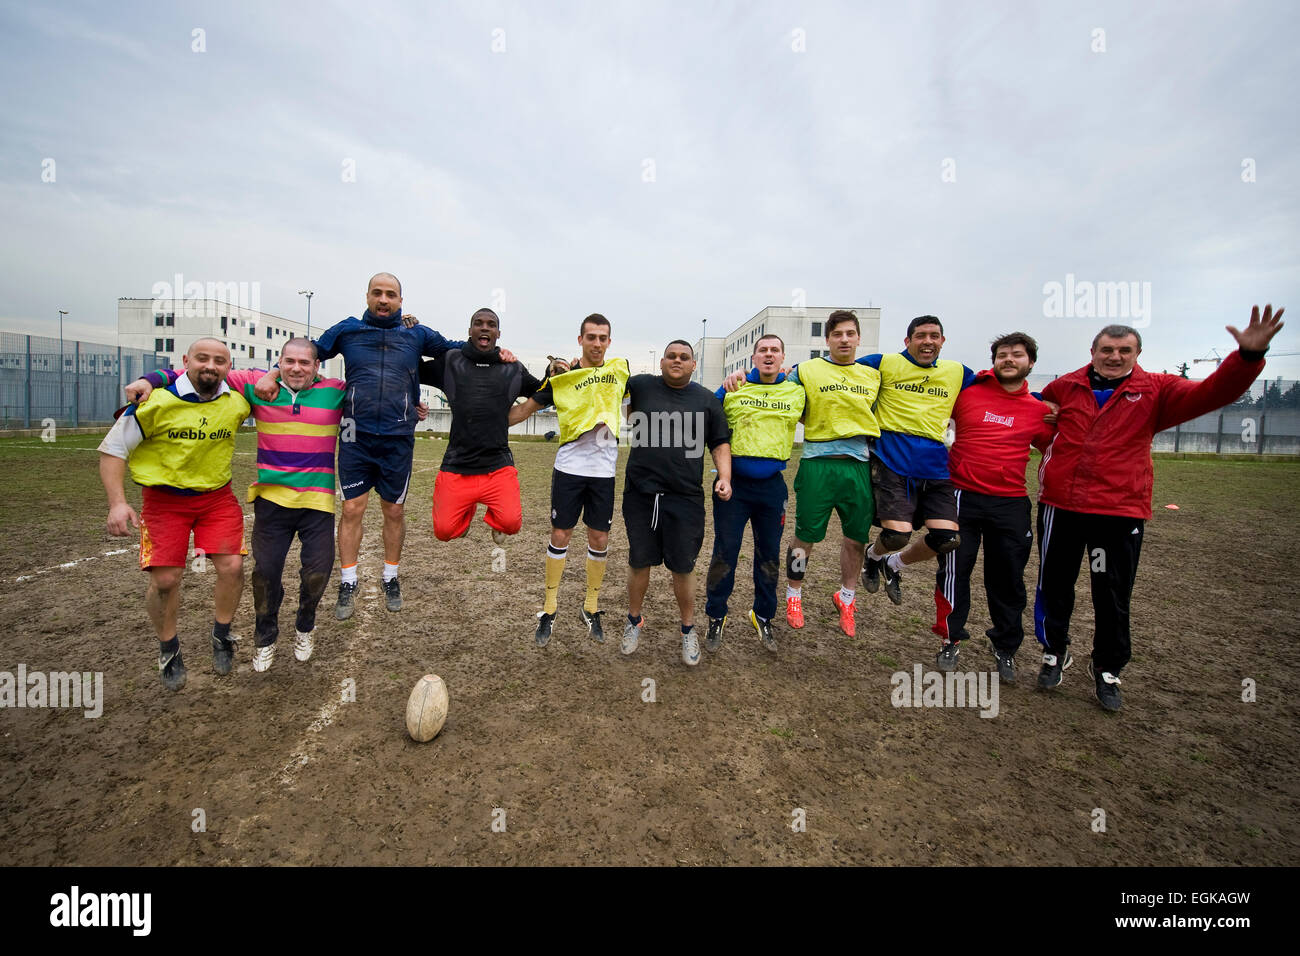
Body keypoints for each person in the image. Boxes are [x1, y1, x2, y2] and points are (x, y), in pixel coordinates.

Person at [1034, 306, 1284, 710]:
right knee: (1055, 583)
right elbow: (1038, 423)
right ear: (1093, 350)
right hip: (1061, 507)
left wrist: (1248, 357)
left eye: (1124, 350)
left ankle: (1108, 668)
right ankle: (1053, 650)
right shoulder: (1065, 387)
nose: (1114, 356)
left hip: (1118, 511)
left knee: (1111, 592)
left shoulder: (1158, 390)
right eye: (1107, 349)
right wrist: (1054, 447)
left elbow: (1213, 393)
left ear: (1137, 354)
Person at [126, 336, 345, 672]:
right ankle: (266, 636)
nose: (296, 368)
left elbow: (377, 390)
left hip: (318, 503)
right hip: (271, 500)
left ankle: (305, 624)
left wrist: (414, 405)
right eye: (289, 361)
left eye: (305, 363)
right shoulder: (256, 386)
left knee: (317, 573)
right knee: (264, 574)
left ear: (317, 367)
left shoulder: (335, 390)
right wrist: (150, 379)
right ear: (279, 362)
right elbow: (201, 373)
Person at [305, 274, 512, 619]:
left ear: (401, 301)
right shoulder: (348, 330)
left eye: (391, 295)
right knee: (352, 509)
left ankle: (390, 576)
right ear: (367, 296)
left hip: (398, 437)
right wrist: (272, 375)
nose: (383, 300)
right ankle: (348, 581)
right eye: (377, 293)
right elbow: (307, 354)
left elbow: (461, 348)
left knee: (394, 511)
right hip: (355, 435)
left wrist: (497, 352)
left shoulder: (415, 334)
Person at [99, 338, 250, 691]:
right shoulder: (153, 401)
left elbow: (275, 379)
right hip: (164, 501)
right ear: (185, 361)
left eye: (219, 360)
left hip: (216, 497)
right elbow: (113, 450)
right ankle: (168, 647)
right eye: (202, 359)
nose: (210, 366)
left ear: (229, 366)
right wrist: (117, 503)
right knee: (166, 580)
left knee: (232, 567)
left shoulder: (236, 401)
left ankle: (222, 634)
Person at [725, 309, 882, 637]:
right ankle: (794, 594)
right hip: (817, 463)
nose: (843, 339)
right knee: (804, 538)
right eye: (837, 334)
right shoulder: (807, 371)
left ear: (858, 338)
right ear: (827, 340)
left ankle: (847, 597)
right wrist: (740, 374)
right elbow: (773, 384)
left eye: (850, 334)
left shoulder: (873, 375)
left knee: (856, 538)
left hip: (859, 465)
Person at [932, 332, 1055, 683]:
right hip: (961, 497)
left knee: (1007, 579)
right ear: (994, 360)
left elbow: (1054, 446)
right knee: (954, 571)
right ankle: (950, 637)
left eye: (1017, 355)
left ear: (1030, 362)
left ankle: (1005, 647)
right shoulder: (968, 395)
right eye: (1002, 354)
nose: (1009, 360)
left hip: (1011, 503)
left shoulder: (1039, 411)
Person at [508, 314, 629, 646]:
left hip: (604, 471)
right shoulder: (561, 380)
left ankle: (591, 607)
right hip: (570, 468)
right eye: (591, 337)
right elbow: (521, 412)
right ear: (580, 340)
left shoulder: (620, 372)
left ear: (609, 341)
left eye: (603, 337)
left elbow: (638, 405)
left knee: (600, 539)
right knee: (560, 534)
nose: (597, 343)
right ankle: (549, 608)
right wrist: (483, 414)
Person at [620, 341, 731, 665]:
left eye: (684, 357)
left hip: (685, 497)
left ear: (694, 364)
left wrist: (725, 477)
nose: (677, 361)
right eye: (671, 356)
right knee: (640, 560)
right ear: (662, 362)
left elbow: (720, 443)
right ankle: (634, 620)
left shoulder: (706, 400)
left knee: (683, 566)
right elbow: (606, 383)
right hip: (640, 493)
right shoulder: (640, 386)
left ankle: (687, 629)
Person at [859, 315, 977, 604]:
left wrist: (1041, 400)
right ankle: (873, 557)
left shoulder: (958, 372)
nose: (928, 341)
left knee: (947, 539)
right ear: (907, 341)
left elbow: (996, 389)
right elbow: (837, 370)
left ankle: (893, 564)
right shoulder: (883, 363)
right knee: (897, 535)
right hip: (892, 460)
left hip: (936, 467)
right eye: (921, 335)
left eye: (934, 336)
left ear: (942, 341)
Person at [703, 333, 805, 653]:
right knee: (725, 553)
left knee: (769, 556)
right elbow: (705, 416)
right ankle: (716, 616)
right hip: (733, 486)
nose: (769, 355)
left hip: (772, 488)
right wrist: (725, 382)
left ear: (782, 357)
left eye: (775, 350)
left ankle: (763, 615)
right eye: (763, 350)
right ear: (753, 358)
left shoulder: (796, 391)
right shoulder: (735, 387)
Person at [419, 308, 542, 543]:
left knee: (511, 523)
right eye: (478, 323)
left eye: (491, 324)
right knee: (444, 532)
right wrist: (410, 330)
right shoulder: (451, 361)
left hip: (497, 466)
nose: (484, 327)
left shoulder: (512, 367)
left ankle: (496, 521)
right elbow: (414, 369)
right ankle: (466, 510)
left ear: (498, 333)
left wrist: (554, 369)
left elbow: (542, 391)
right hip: (457, 464)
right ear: (470, 331)